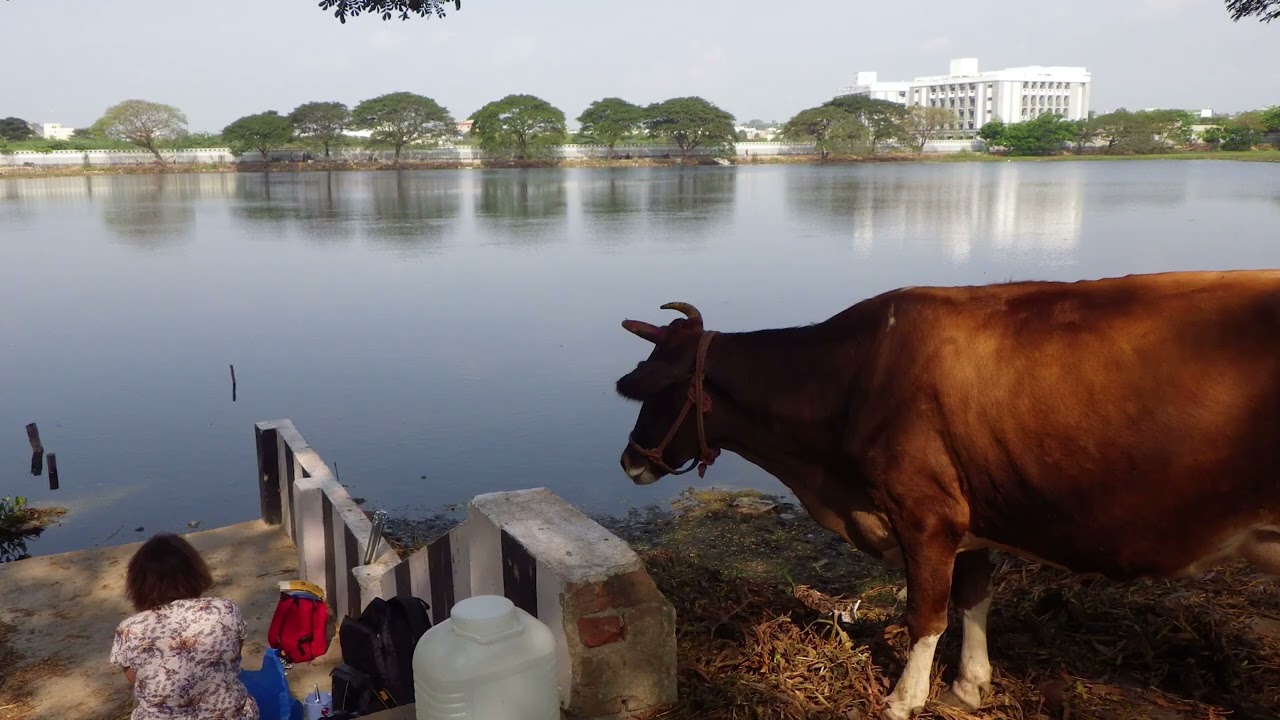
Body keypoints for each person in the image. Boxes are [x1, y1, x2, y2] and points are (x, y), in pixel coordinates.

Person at [109, 533, 259, 720]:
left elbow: (138, 681)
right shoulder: (225, 610)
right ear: (195, 572)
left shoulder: (129, 629)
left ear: (139, 583)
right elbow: (233, 656)